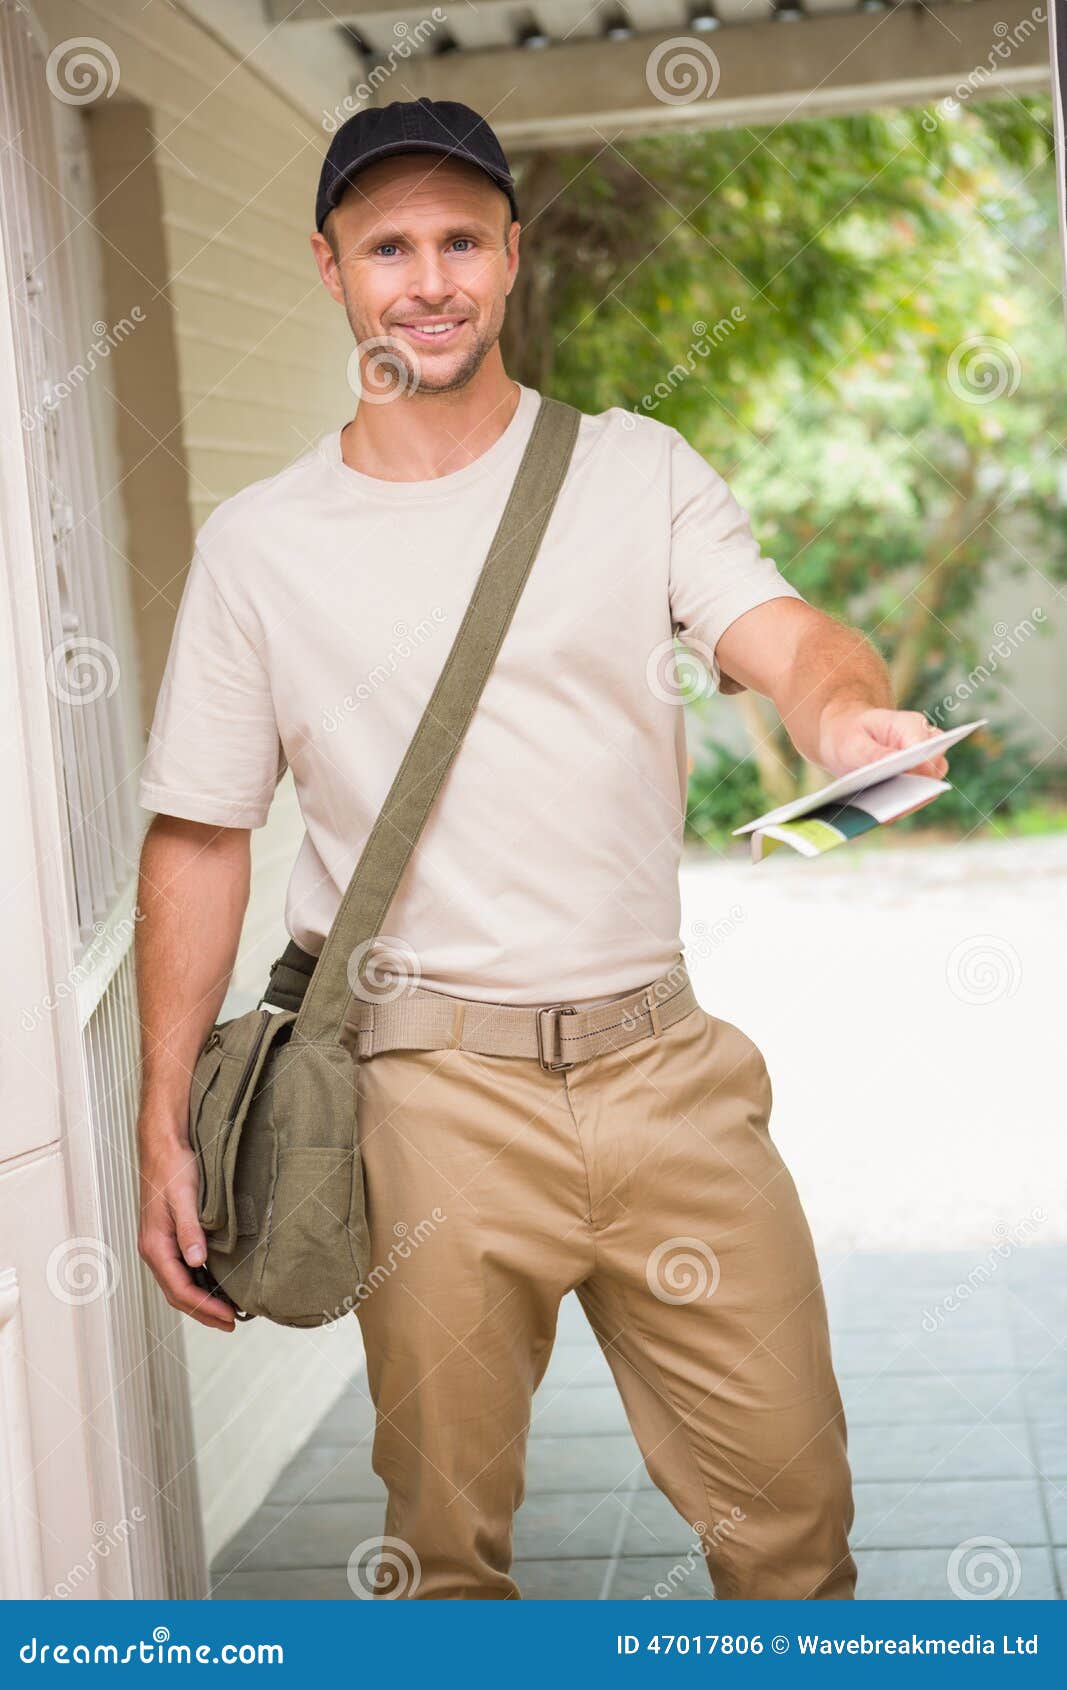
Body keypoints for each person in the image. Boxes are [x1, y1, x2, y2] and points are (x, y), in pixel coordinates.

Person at [135, 98, 948, 1601]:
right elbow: (199, 833)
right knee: (445, 1561)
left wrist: (845, 721)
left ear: (511, 257)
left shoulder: (631, 472)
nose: (428, 277)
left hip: (669, 1075)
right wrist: (161, 1114)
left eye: (460, 238)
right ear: (331, 269)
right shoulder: (262, 543)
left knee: (797, 1532)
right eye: (390, 245)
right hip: (426, 1097)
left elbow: (790, 635)